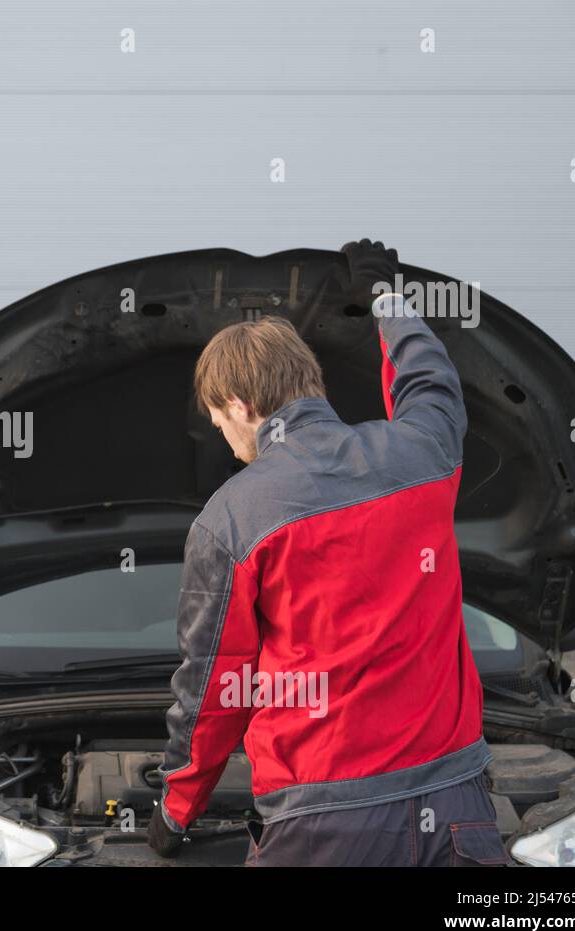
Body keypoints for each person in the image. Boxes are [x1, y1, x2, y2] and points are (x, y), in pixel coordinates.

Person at [148, 239, 509, 866]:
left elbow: (217, 686)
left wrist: (176, 811)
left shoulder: (232, 518)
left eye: (220, 422)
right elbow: (430, 378)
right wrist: (387, 297)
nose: (227, 440)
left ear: (240, 404)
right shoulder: (421, 454)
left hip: (324, 828)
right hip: (456, 812)